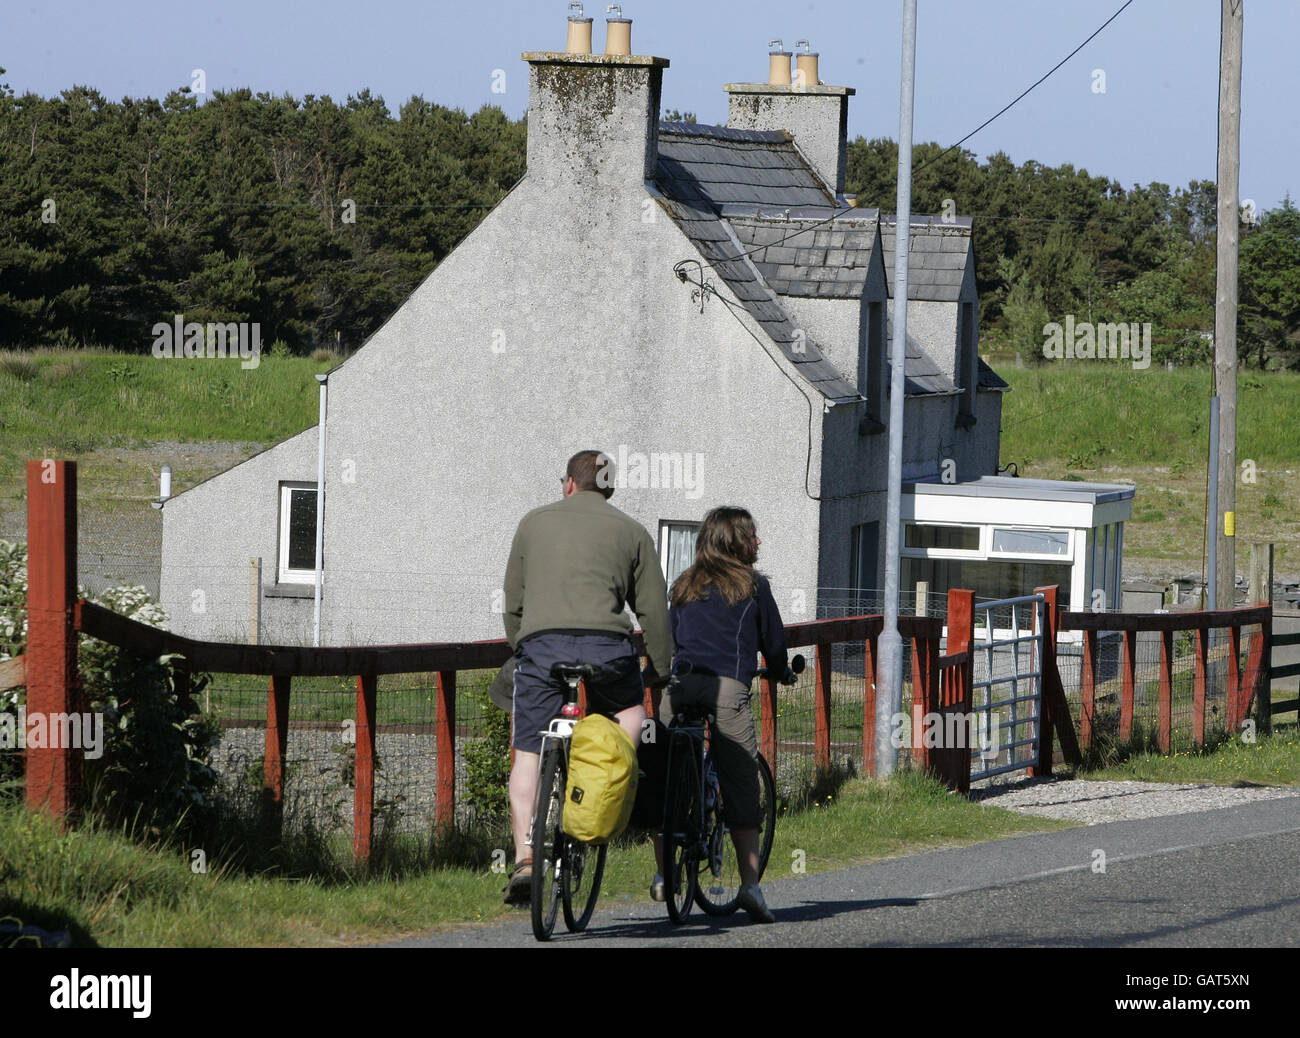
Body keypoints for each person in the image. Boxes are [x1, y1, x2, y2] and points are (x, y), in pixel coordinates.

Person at [502, 450, 673, 904]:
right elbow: (653, 611)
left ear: (569, 484)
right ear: (609, 489)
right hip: (607, 649)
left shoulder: (532, 523)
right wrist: (661, 665)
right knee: (631, 710)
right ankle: (600, 788)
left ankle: (524, 857)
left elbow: (513, 602)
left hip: (542, 648)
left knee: (527, 752)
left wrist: (521, 645)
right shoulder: (633, 532)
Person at [653, 506, 789, 924]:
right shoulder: (752, 586)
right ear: (736, 542)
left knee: (669, 779)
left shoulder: (682, 585)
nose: (759, 543)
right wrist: (781, 671)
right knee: (740, 782)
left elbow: (671, 637)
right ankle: (750, 886)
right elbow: (774, 643)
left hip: (679, 688)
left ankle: (662, 875)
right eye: (752, 535)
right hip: (727, 690)